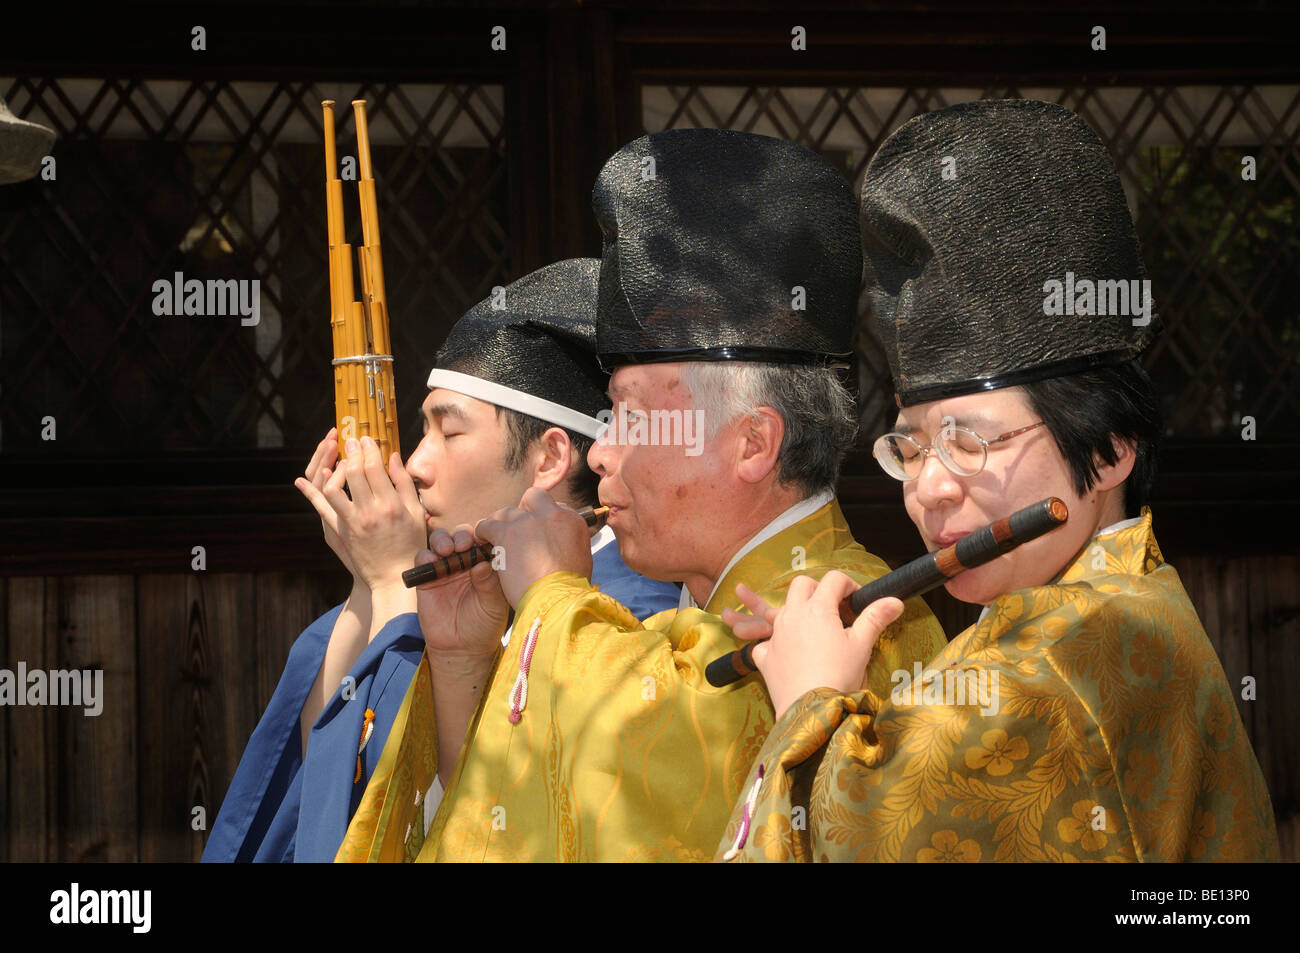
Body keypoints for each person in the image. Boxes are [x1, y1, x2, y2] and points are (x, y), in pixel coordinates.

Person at [337, 128, 948, 862]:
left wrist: (553, 598)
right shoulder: (677, 634)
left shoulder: (851, 622)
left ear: (752, 442)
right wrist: (466, 658)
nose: (602, 453)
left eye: (630, 414)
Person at [714, 99, 1280, 862]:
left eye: (974, 441)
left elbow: (860, 829)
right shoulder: (1118, 604)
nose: (930, 488)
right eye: (910, 448)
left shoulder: (1066, 653)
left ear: (1111, 451)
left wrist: (815, 700)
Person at [203, 258, 679, 862]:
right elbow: (325, 786)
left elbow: (452, 811)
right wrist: (367, 585)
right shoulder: (466, 572)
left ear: (550, 459)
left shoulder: (627, 615)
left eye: (449, 434)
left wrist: (393, 587)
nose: (418, 464)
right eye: (421, 430)